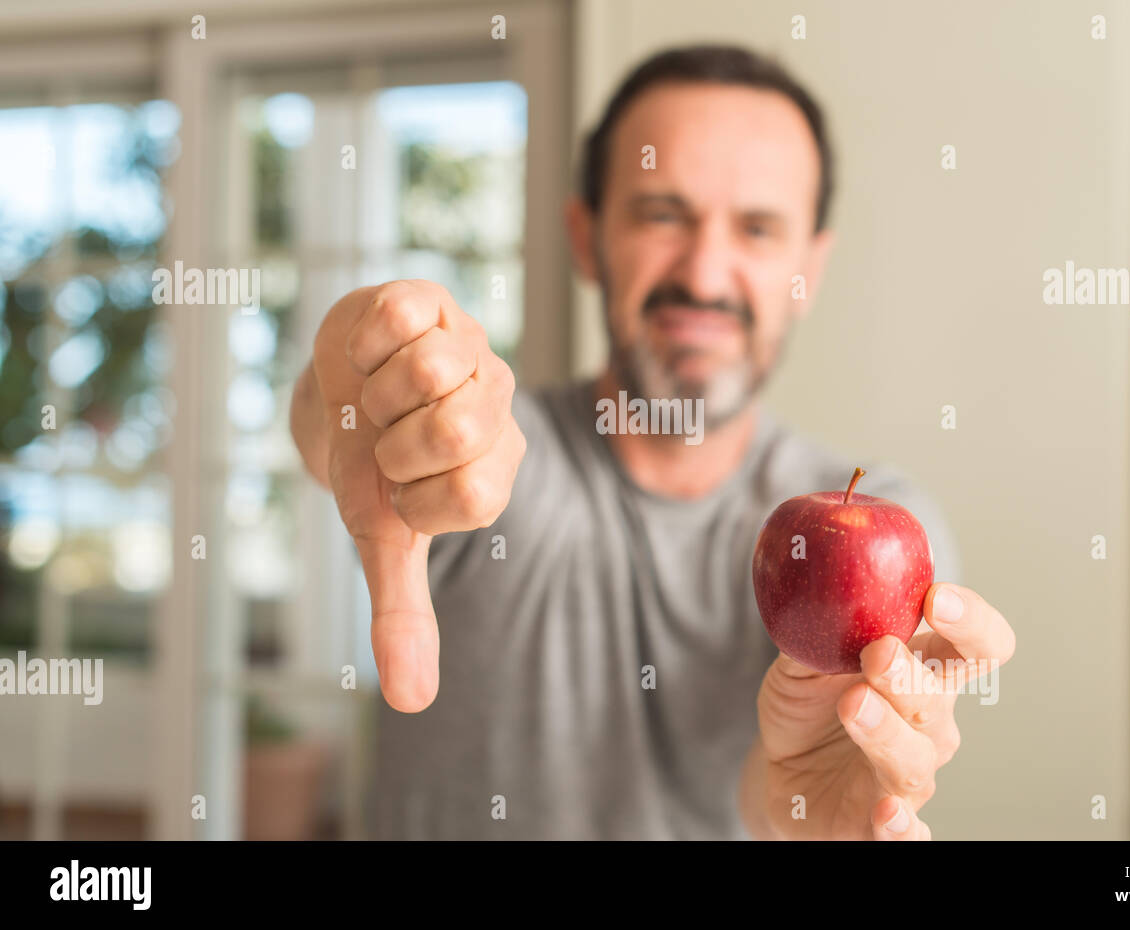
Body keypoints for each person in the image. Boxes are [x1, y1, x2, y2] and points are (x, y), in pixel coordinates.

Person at [290, 44, 1015, 840]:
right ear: (586, 236)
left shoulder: (894, 536)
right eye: (663, 214)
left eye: (759, 228)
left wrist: (801, 807)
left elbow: (780, 782)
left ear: (811, 265)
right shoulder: (480, 458)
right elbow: (348, 434)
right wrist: (361, 383)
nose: (705, 274)